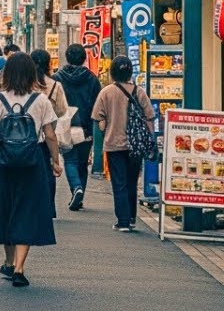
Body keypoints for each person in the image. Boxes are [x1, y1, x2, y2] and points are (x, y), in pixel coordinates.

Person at [0, 53, 63, 288]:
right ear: (31, 74)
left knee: (7, 210)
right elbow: (50, 135)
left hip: (4, 163)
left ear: (7, 74)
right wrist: (56, 162)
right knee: (26, 211)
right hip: (32, 162)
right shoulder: (41, 101)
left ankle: (8, 259)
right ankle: (18, 267)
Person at [91, 55, 154, 232]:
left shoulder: (106, 92)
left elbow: (98, 118)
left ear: (112, 72)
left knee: (119, 182)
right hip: (136, 145)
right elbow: (150, 117)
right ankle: (132, 218)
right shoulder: (139, 91)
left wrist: (106, 127)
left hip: (114, 144)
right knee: (132, 181)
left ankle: (123, 221)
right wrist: (149, 139)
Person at [54, 43, 101, 211]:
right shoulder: (92, 79)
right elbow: (98, 105)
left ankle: (76, 188)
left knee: (70, 160)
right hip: (86, 126)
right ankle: (80, 196)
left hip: (65, 125)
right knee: (82, 163)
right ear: (84, 58)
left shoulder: (58, 77)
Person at [30, 49, 67, 217]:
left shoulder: (25, 85)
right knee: (48, 171)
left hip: (28, 134)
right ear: (48, 64)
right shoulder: (54, 86)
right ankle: (49, 207)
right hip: (48, 133)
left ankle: (32, 206)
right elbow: (62, 110)